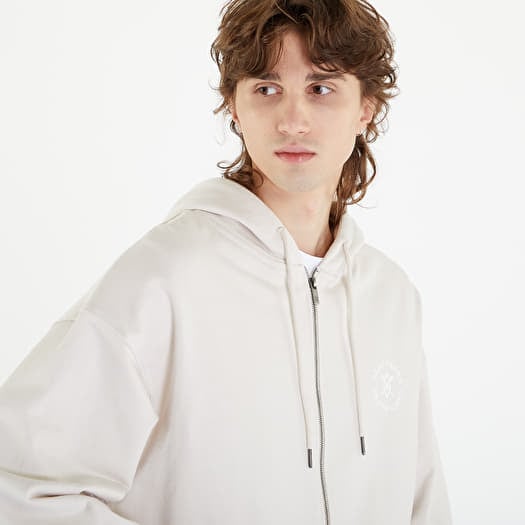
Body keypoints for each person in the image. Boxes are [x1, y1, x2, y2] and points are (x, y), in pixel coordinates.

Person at [0, 0, 452, 523]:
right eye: (267, 89)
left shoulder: (391, 296)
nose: (293, 121)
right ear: (233, 107)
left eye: (321, 88)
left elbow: (424, 498)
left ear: (366, 108)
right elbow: (23, 482)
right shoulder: (165, 278)